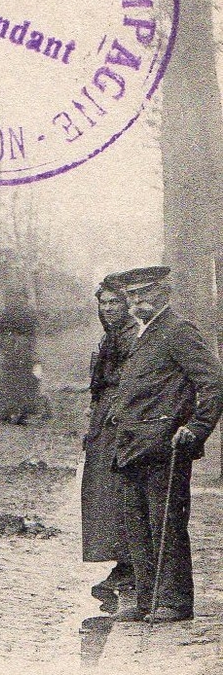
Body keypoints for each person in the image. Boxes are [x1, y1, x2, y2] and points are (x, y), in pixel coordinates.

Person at [108, 265, 223, 624]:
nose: (137, 301)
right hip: (132, 445)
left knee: (166, 524)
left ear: (164, 293)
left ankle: (174, 601)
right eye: (132, 295)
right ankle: (147, 600)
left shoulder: (178, 330)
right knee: (138, 525)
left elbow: (213, 382)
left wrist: (197, 426)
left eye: (145, 293)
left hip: (164, 445)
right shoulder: (143, 333)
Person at [84, 273, 138, 615]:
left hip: (120, 419)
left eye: (114, 302)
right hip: (105, 418)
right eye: (103, 303)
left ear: (127, 303)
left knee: (119, 490)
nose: (108, 308)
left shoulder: (132, 335)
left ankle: (130, 566)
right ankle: (123, 561)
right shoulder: (111, 336)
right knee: (103, 490)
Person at [0, 286, 42, 425]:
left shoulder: (29, 313)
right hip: (10, 351)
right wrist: (6, 342)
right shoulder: (6, 313)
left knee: (27, 379)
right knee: (9, 380)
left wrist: (31, 349)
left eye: (21, 297)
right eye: (15, 296)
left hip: (25, 351)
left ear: (25, 299)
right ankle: (7, 410)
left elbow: (33, 333)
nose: (18, 299)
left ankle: (24, 411)